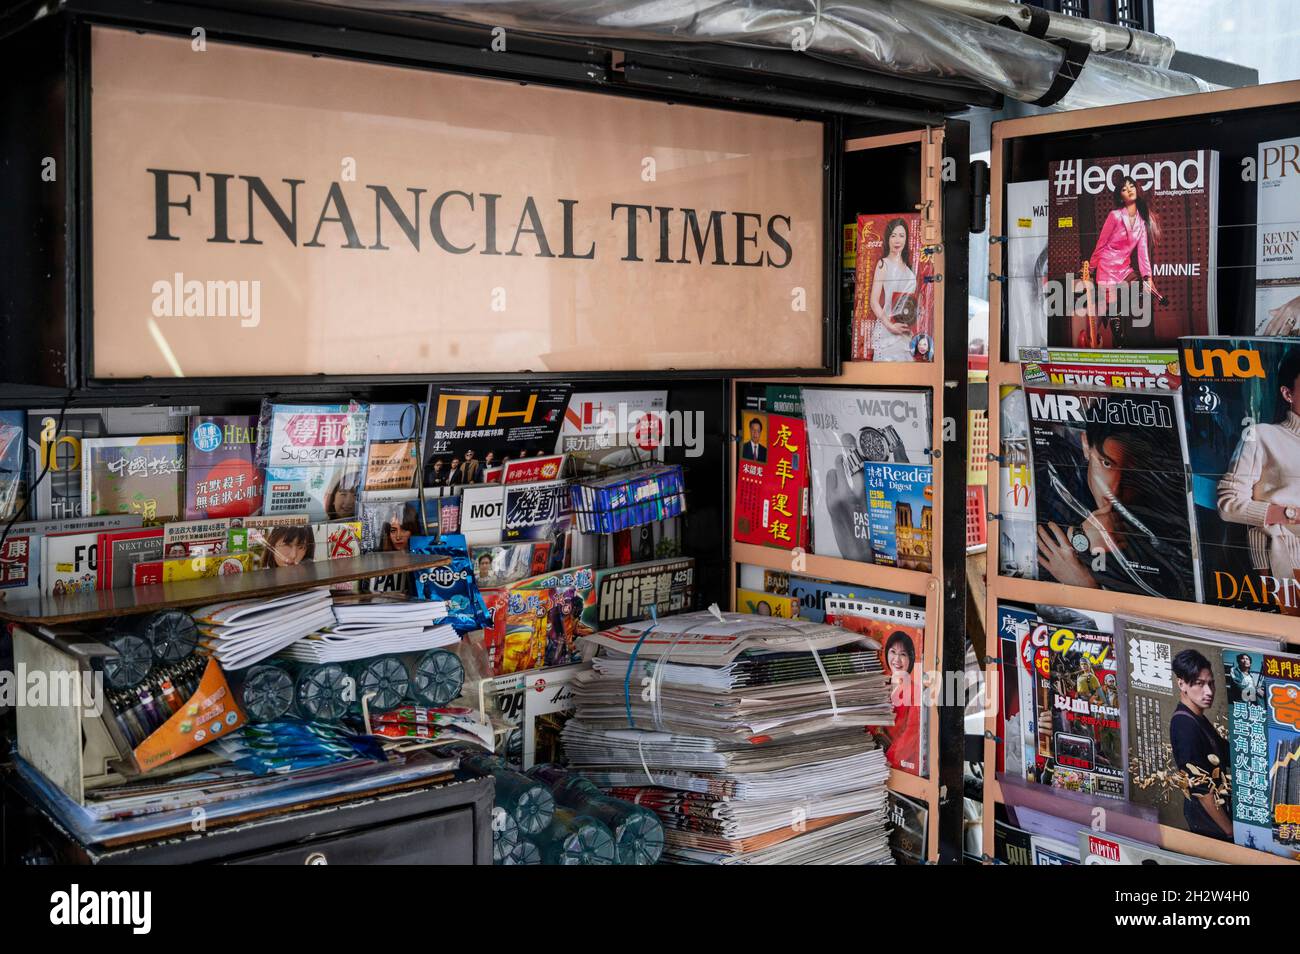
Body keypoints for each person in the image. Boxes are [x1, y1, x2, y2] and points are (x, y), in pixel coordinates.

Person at [1035, 416, 1194, 601]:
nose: (1115, 489)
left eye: (1135, 471)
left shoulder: (1163, 509)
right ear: (1086, 445)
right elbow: (1030, 563)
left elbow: (1181, 592)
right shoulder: (1056, 475)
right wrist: (1081, 539)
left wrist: (1085, 587)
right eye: (1107, 464)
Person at [1216, 349, 1300, 615]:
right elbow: (1228, 504)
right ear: (1288, 394)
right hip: (1285, 557)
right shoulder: (1261, 435)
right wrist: (1290, 514)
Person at [1084, 175, 1164, 346]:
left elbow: (1142, 253)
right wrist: (1091, 268)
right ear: (1121, 197)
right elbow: (1101, 244)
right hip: (1107, 268)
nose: (1129, 190)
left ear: (1136, 190)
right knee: (1117, 330)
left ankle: (1110, 314)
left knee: (1142, 290)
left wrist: (1148, 278)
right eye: (1124, 188)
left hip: (1124, 269)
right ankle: (1108, 335)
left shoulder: (1142, 222)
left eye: (1131, 186)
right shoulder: (1114, 216)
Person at [1168, 649, 1232, 840]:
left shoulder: (1197, 718)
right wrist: (1229, 830)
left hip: (1217, 811)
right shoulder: (1184, 725)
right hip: (1209, 820)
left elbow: (1225, 751)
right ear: (1182, 684)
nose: (1209, 692)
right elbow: (1201, 791)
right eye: (1199, 684)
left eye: (1211, 683)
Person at [869, 218, 918, 361]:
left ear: (906, 239)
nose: (897, 240)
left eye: (901, 236)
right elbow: (874, 302)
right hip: (887, 328)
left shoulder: (910, 270)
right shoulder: (883, 264)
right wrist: (890, 326)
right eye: (893, 235)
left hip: (906, 330)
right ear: (888, 238)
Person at [881, 630, 922, 772]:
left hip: (900, 767)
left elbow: (912, 734)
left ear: (910, 659)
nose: (896, 659)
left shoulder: (916, 692)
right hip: (875, 761)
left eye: (903, 654)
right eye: (893, 652)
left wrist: (887, 760)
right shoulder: (880, 685)